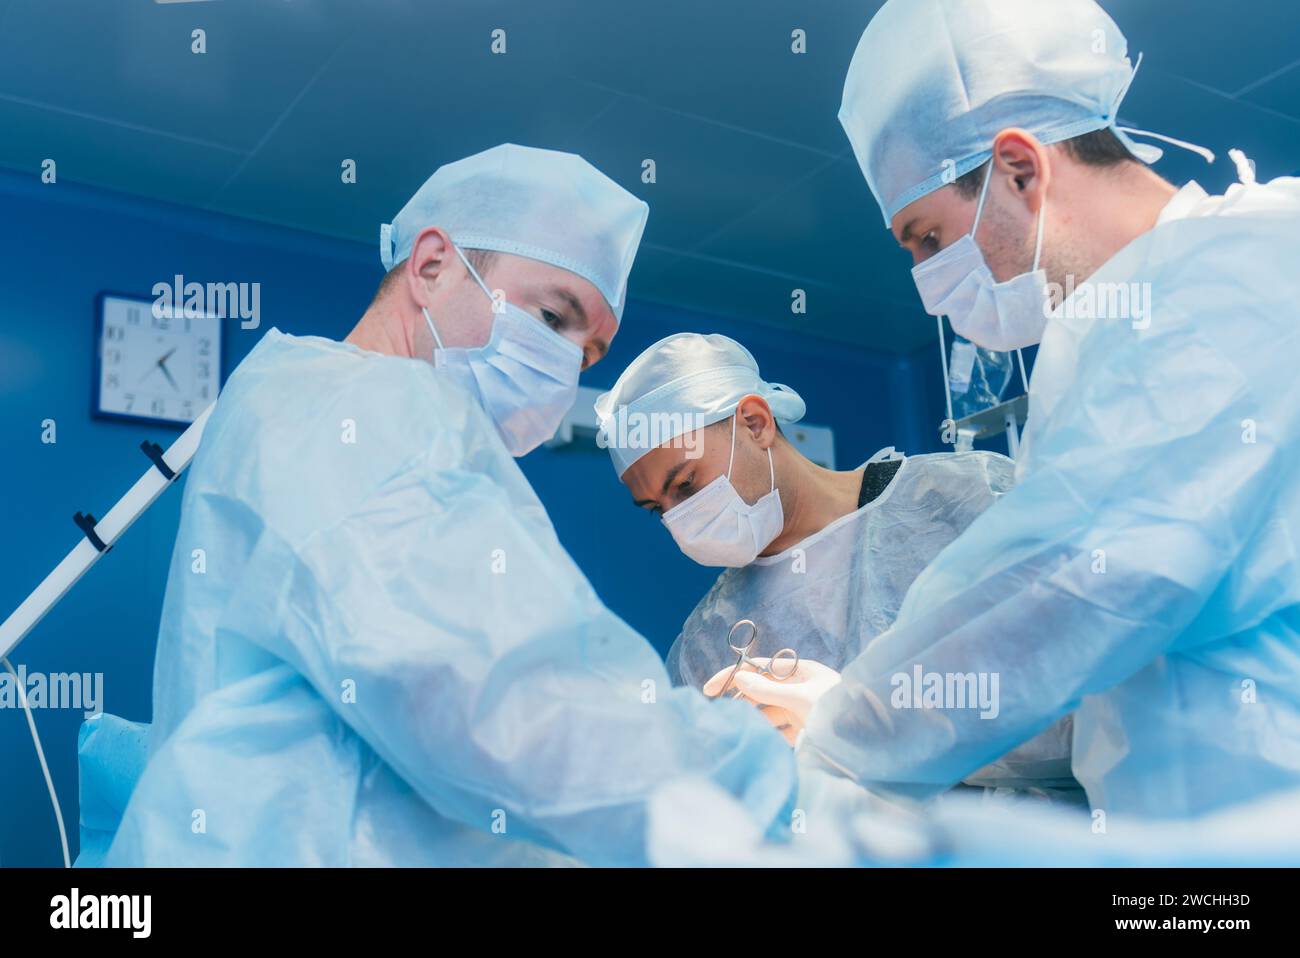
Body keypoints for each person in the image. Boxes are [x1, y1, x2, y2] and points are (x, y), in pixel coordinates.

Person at [88, 144, 795, 867]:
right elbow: (509, 715)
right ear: (430, 265)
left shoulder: (294, 399)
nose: (562, 370)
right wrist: (777, 777)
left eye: (586, 358)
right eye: (553, 319)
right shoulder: (362, 410)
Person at [730, 0, 1300, 819]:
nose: (928, 274)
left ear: (1020, 169)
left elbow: (1062, 584)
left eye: (927, 237)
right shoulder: (1107, 331)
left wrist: (842, 737)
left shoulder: (1229, 277)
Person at [594, 332, 1077, 798]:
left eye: (687, 486)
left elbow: (1090, 701)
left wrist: (876, 726)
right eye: (658, 509)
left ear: (756, 423)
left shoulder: (961, 501)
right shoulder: (707, 644)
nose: (680, 520)